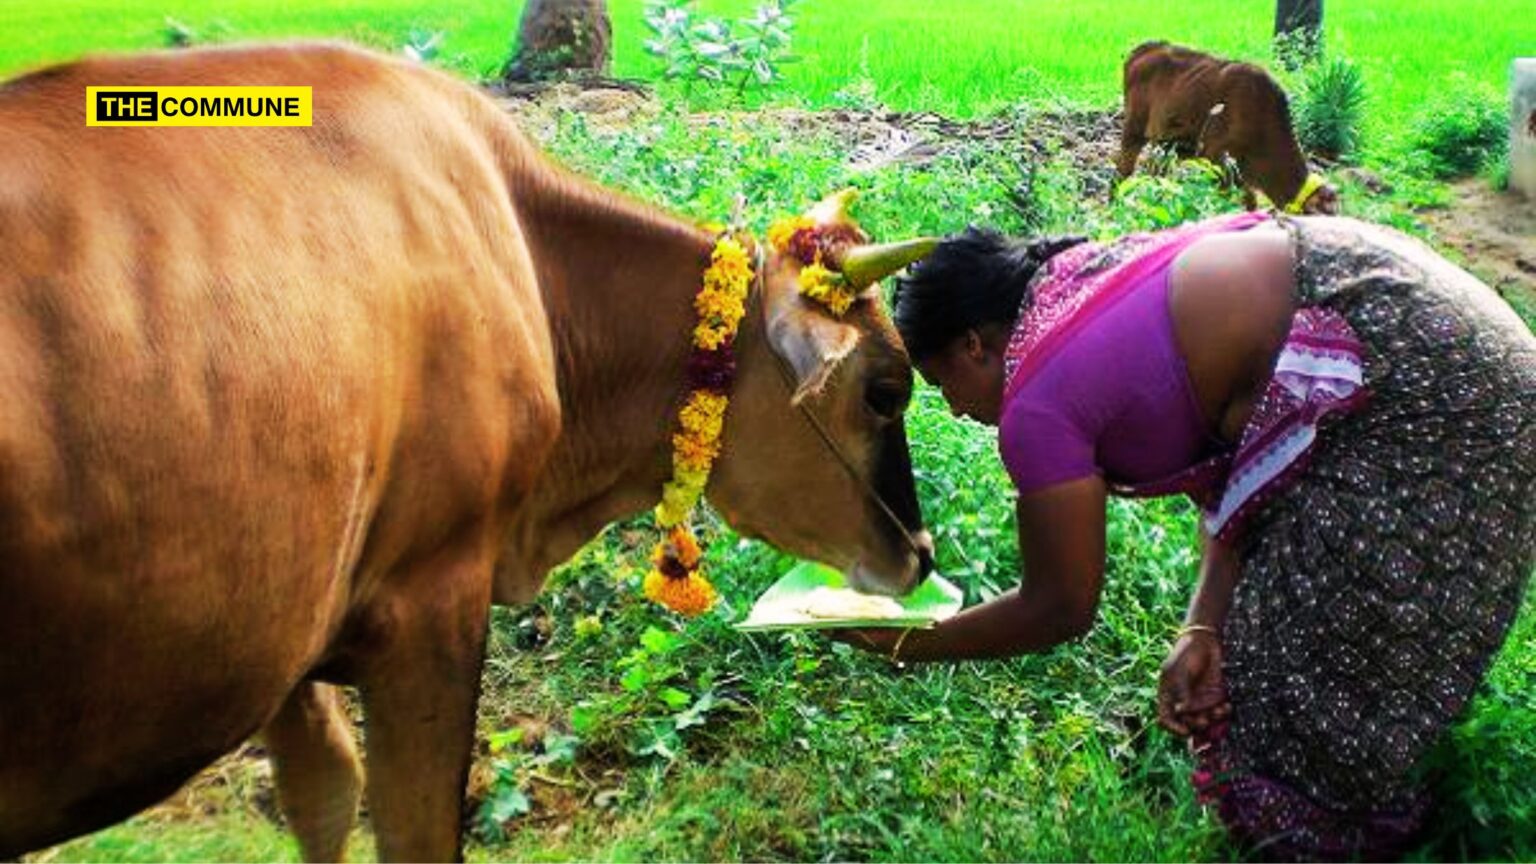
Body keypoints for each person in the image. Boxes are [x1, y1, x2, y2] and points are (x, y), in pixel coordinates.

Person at [835, 211, 1536, 859]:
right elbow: (1244, 476)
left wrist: (902, 640)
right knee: (1253, 634)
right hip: (1433, 326)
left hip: (1439, 392)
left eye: (941, 382)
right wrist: (1200, 628)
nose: (955, 411)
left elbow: (1059, 606)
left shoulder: (1038, 398)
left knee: (1291, 688)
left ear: (973, 344)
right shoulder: (1080, 281)